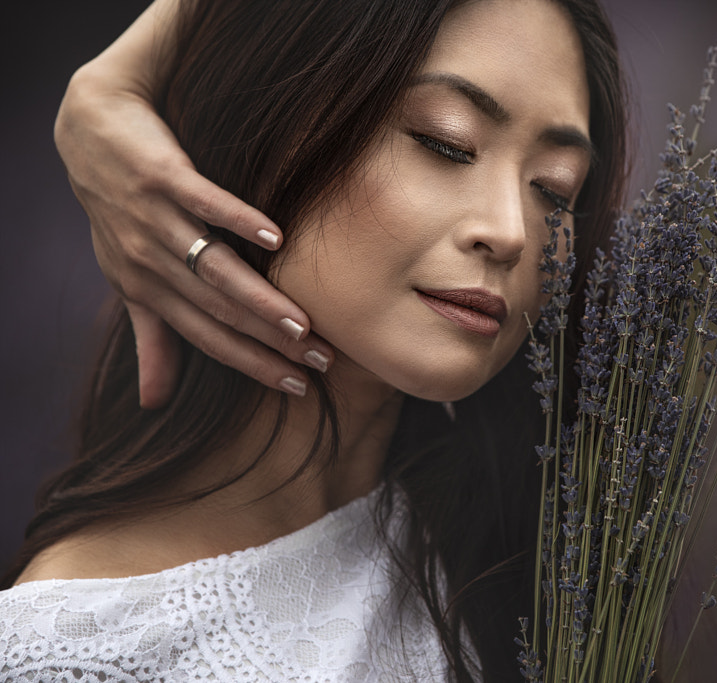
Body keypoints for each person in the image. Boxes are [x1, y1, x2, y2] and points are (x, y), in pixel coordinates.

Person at [0, 0, 628, 681]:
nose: (511, 231)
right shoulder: (81, 649)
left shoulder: (537, 565)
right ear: (264, 120)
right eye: (446, 142)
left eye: (553, 190)